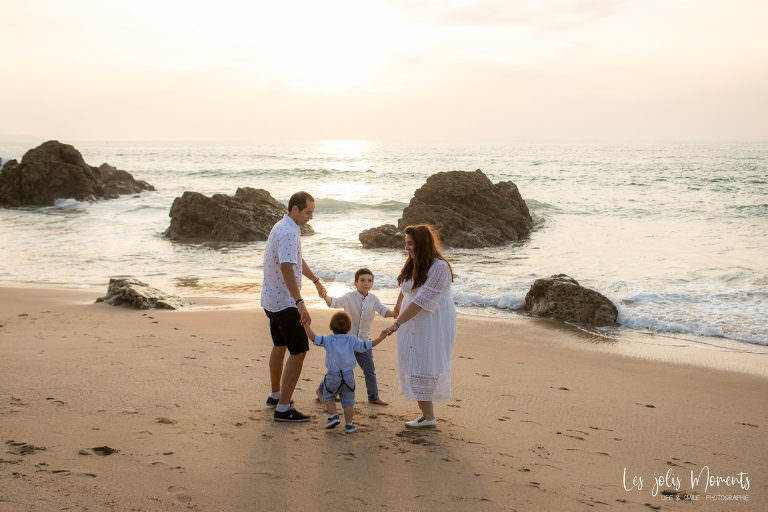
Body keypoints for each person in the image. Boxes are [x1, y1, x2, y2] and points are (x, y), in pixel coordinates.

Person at [381, 224, 456, 428]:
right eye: (406, 243)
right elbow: (407, 287)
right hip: (411, 316)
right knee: (413, 359)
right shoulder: (414, 261)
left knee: (424, 361)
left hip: (432, 319)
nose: (407, 248)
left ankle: (429, 417)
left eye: (410, 244)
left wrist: (396, 324)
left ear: (422, 244)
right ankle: (426, 415)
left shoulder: (439, 267)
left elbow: (422, 301)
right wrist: (397, 305)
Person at [261, 191, 327, 422]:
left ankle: (275, 395)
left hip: (271, 299)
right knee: (298, 351)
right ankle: (283, 408)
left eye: (312, 213)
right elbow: (287, 267)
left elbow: (297, 260)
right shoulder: (289, 232)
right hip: (284, 302)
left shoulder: (283, 226)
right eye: (308, 212)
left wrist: (315, 280)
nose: (310, 217)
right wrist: (299, 302)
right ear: (295, 209)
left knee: (279, 345)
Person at [315, 268, 395, 406]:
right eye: (362, 280)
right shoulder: (349, 297)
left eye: (369, 280)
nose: (366, 283)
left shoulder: (374, 299)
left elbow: (383, 311)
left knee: (370, 370)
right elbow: (333, 303)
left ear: (372, 283)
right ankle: (321, 391)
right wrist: (324, 296)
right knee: (339, 369)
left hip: (364, 341)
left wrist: (394, 313)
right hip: (347, 342)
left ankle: (373, 396)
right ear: (355, 283)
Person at [305, 311, 388, 433]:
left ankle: (334, 415)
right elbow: (367, 345)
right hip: (348, 377)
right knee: (348, 401)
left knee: (327, 397)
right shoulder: (352, 340)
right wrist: (381, 337)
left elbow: (313, 338)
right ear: (349, 328)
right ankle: (349, 425)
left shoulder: (328, 340)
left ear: (331, 327)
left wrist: (306, 325)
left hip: (332, 376)